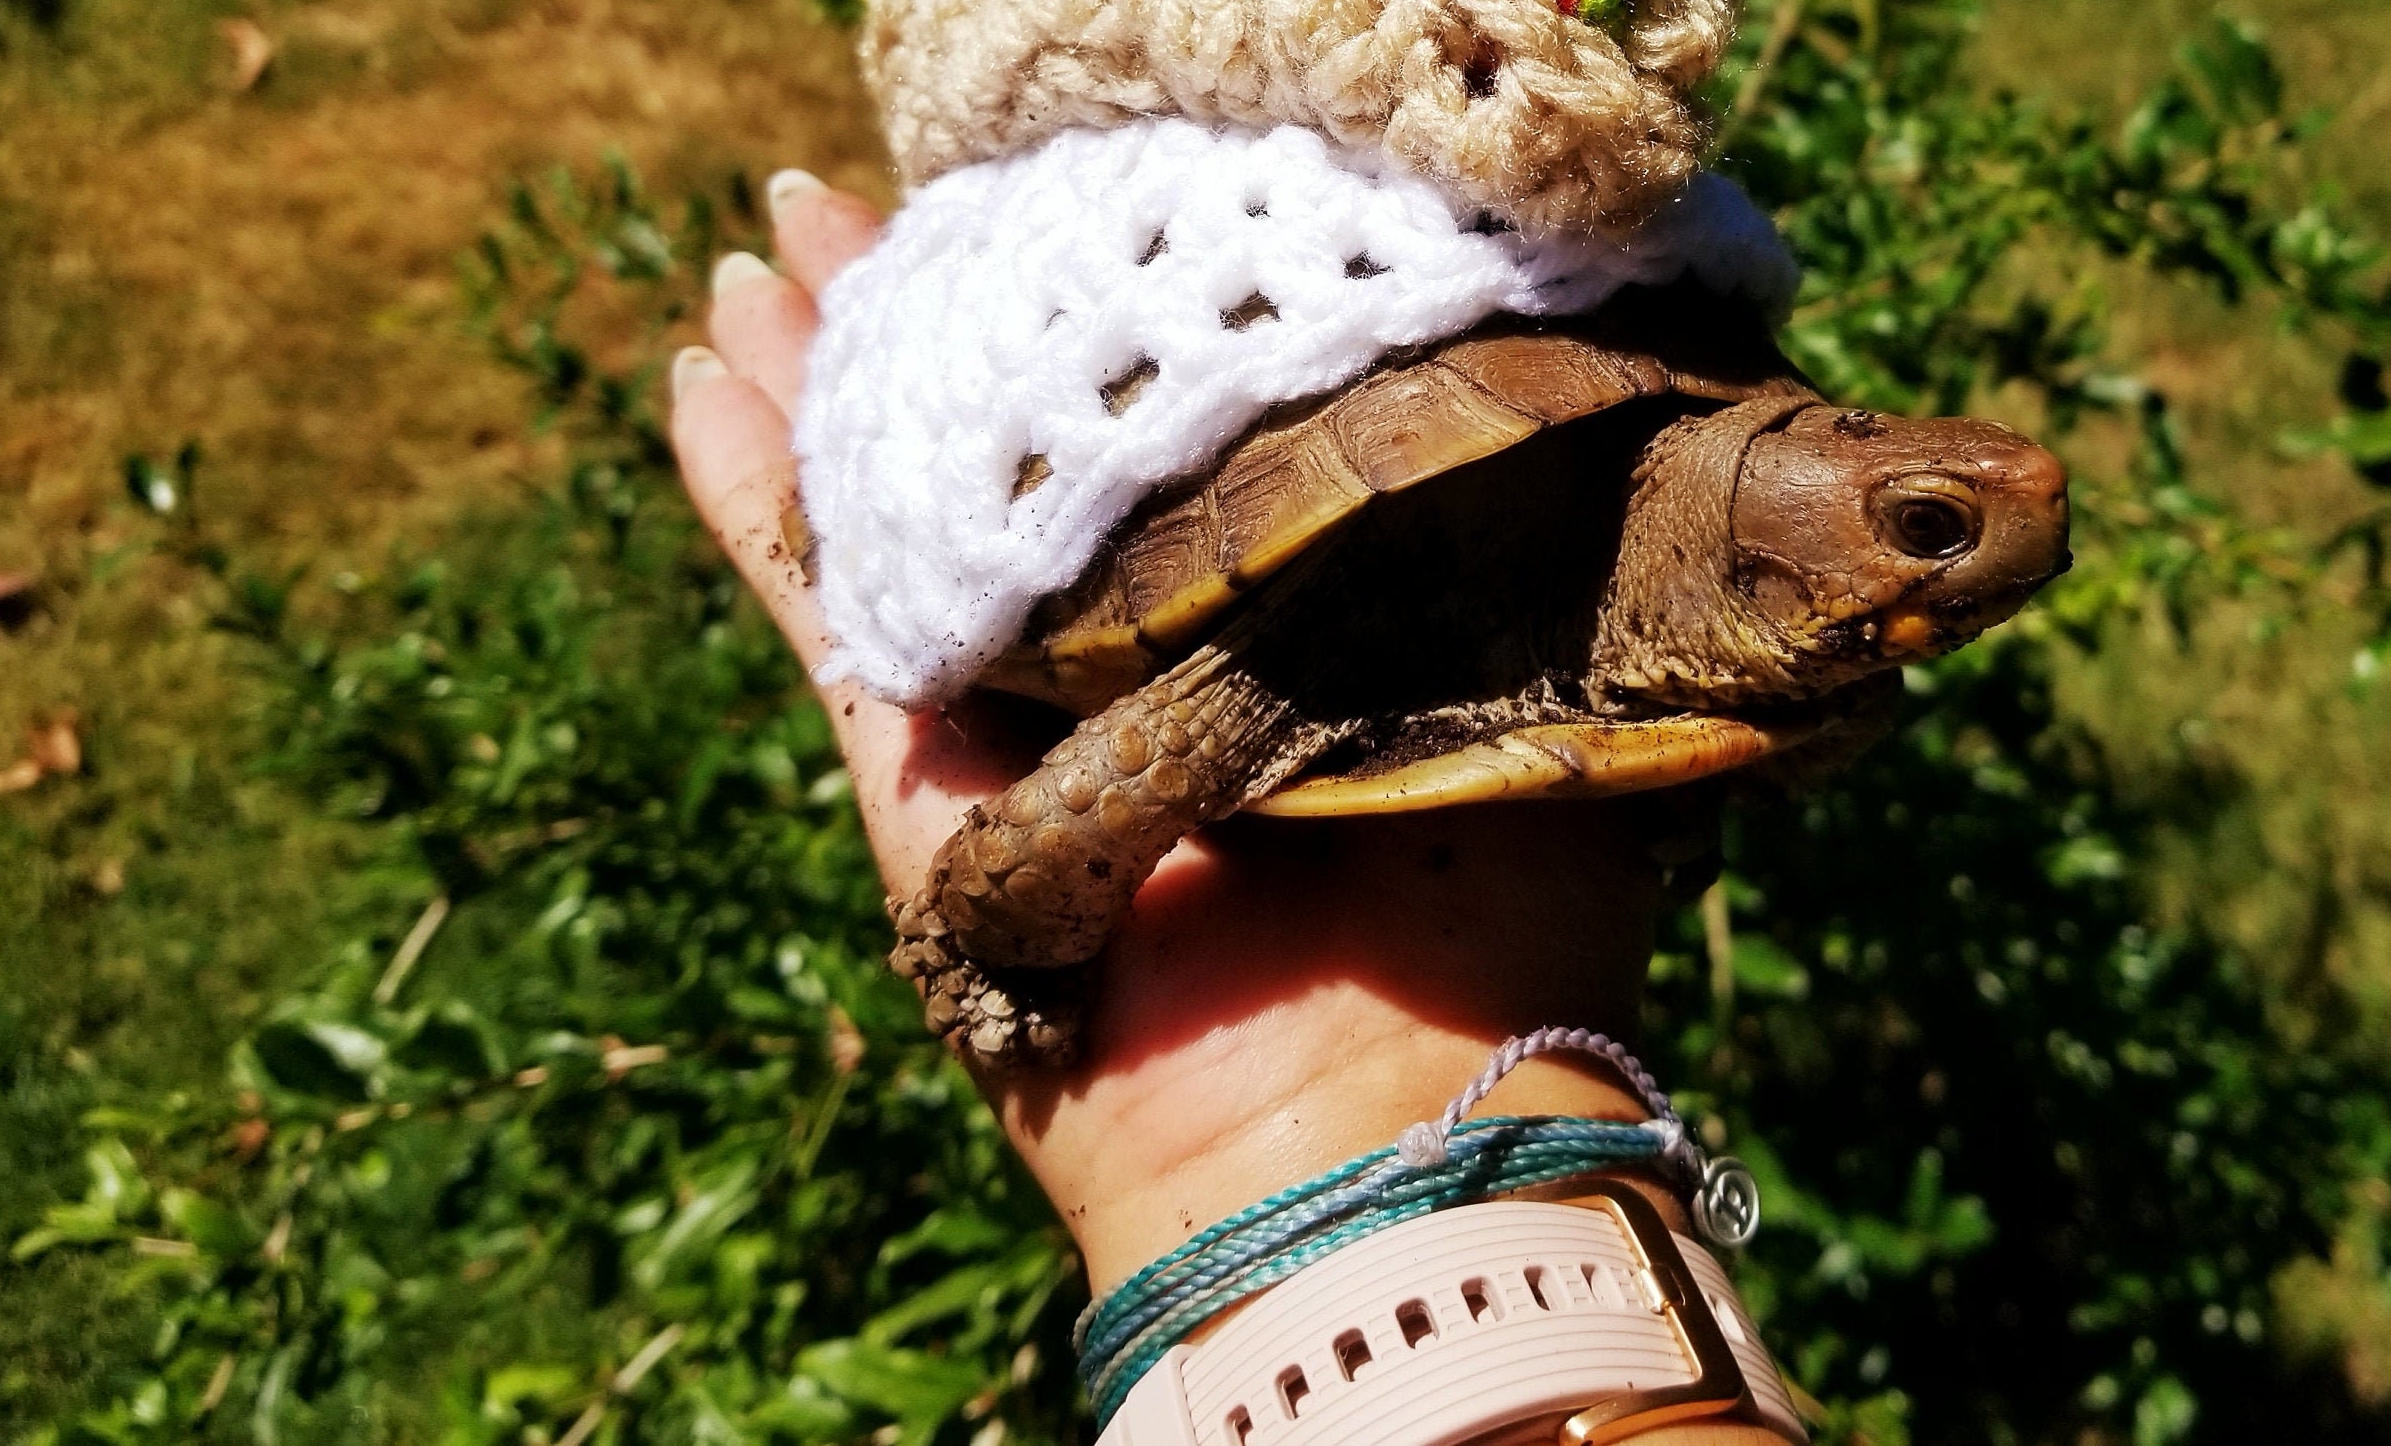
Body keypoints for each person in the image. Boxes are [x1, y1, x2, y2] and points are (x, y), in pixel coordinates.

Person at [671, 164, 1795, 1445]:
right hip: (1260, 507)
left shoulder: (1728, 582)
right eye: (1930, 524)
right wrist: (998, 935)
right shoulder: (1332, 631)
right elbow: (1093, 805)